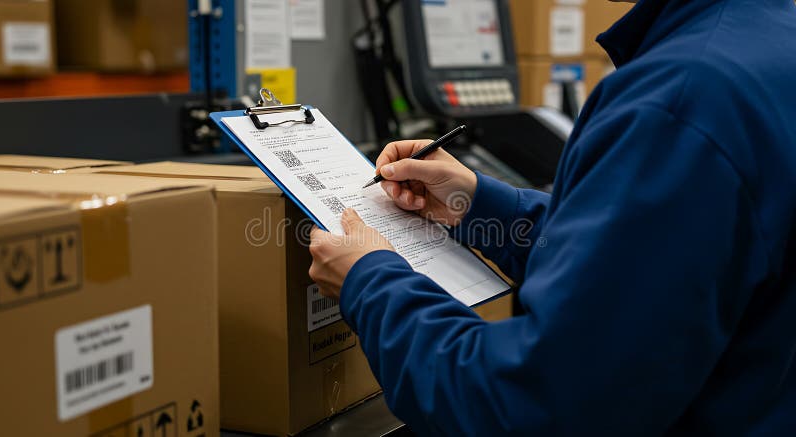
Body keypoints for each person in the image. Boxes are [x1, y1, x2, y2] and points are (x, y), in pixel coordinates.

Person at [308, 0, 796, 434]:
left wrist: (372, 284)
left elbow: (534, 404)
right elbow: (654, 264)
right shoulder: (768, 37)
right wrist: (481, 206)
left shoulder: (682, 98)